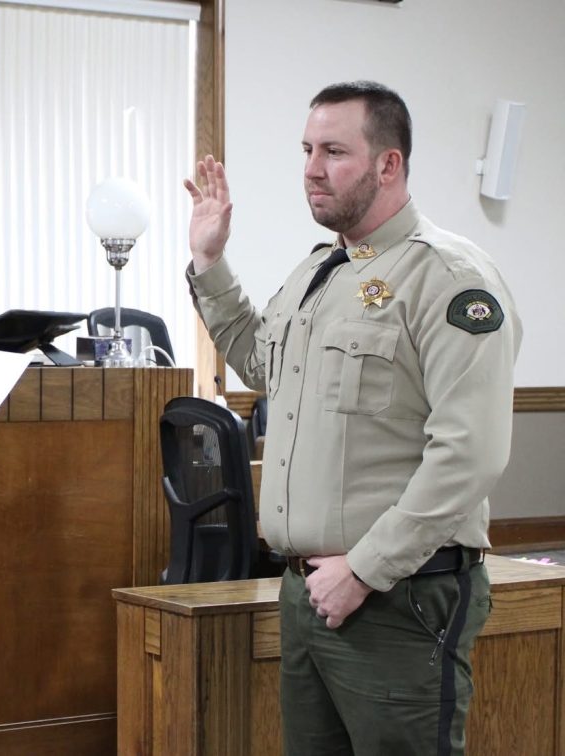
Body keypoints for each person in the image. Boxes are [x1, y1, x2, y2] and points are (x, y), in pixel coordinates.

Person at [184, 81, 521, 755]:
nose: (312, 168)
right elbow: (261, 362)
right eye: (307, 150)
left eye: (334, 152)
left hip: (398, 598)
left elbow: (470, 453)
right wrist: (209, 261)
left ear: (388, 164)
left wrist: (365, 569)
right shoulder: (321, 272)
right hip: (308, 594)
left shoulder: (448, 278)